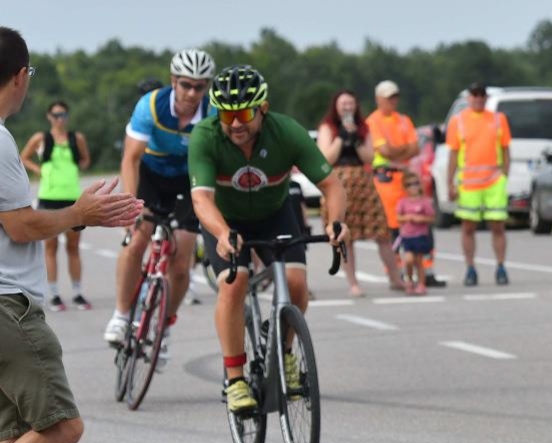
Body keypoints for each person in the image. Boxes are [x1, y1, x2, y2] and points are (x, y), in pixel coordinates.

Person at [0, 26, 143, 443]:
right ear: (19, 76)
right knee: (62, 427)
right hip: (10, 307)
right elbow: (19, 224)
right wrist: (80, 213)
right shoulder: (1, 140)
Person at [189, 65, 347, 412]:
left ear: (263, 108)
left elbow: (331, 185)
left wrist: (336, 223)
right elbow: (201, 199)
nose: (234, 124)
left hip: (275, 213)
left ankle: (286, 351)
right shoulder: (206, 135)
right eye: (226, 114)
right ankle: (235, 380)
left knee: (296, 283)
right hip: (226, 220)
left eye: (243, 113)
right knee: (234, 282)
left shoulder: (286, 132)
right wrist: (221, 232)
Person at [103, 48, 217, 373]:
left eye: (199, 87)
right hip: (151, 176)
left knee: (181, 263)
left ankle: (164, 326)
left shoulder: (210, 113)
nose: (192, 93)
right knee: (136, 239)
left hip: (188, 179)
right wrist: (130, 205)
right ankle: (122, 315)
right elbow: (130, 159)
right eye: (185, 85)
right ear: (173, 82)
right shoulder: (151, 106)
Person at [316, 89, 403, 296]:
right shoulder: (327, 127)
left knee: (382, 232)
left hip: (361, 182)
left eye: (351, 104)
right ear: (335, 106)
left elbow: (369, 158)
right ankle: (353, 283)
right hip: (337, 181)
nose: (347, 107)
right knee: (345, 235)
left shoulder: (364, 128)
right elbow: (325, 158)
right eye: (343, 104)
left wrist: (355, 138)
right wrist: (341, 138)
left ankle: (395, 277)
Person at [19, 100, 92, 311]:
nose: (60, 119)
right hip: (49, 198)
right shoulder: (41, 138)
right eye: (56, 115)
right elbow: (23, 157)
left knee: (73, 247)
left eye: (64, 115)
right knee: (50, 247)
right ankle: (54, 294)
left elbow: (85, 160)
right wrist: (38, 169)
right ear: (49, 117)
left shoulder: (76, 138)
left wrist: (75, 166)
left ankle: (77, 293)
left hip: (73, 198)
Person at [445, 82, 512, 286]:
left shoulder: (498, 119)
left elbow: (506, 149)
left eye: (482, 95)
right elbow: (453, 154)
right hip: (469, 183)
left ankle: (500, 266)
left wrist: (504, 175)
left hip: (493, 182)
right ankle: (470, 267)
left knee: (497, 226)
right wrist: (450, 183)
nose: (478, 98)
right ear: (469, 98)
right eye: (475, 95)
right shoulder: (459, 121)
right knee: (468, 227)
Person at [366, 80, 419, 269]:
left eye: (395, 97)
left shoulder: (404, 120)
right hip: (386, 182)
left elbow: (415, 148)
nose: (393, 101)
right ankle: (395, 269)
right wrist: (403, 151)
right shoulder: (373, 121)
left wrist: (398, 152)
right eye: (388, 97)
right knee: (392, 227)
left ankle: (420, 268)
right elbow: (385, 150)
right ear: (378, 98)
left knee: (414, 224)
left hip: (406, 181)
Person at [396, 170, 435, 295]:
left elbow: (431, 217)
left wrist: (421, 219)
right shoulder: (403, 202)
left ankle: (421, 284)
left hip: (420, 236)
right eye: (409, 185)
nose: (413, 187)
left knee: (419, 262)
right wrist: (407, 218)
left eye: (415, 184)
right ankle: (409, 280)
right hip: (407, 236)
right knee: (408, 260)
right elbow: (398, 217)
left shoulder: (424, 202)